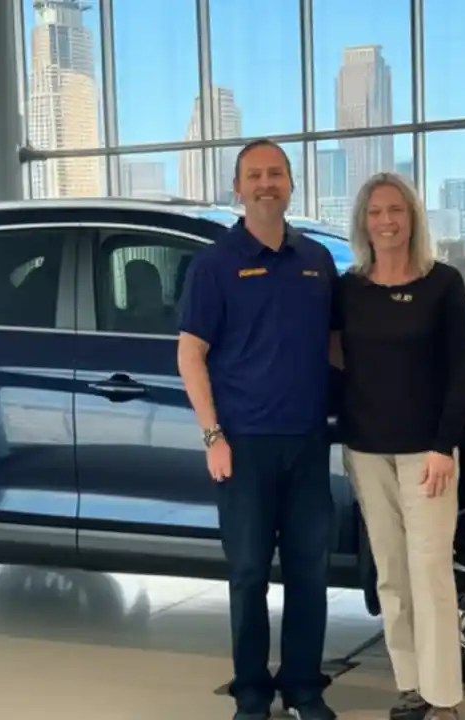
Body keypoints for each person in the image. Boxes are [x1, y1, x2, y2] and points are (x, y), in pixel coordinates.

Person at [176, 139, 341, 720]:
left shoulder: (317, 261)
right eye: (255, 175)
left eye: (276, 174)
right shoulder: (215, 265)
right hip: (242, 447)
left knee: (309, 575)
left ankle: (303, 688)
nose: (266, 184)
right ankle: (251, 691)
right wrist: (212, 435)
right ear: (238, 189)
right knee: (248, 575)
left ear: (291, 184)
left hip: (307, 442)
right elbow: (191, 354)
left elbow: (336, 346)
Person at [333, 172, 465, 720]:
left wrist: (444, 446)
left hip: (427, 454)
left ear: (412, 217)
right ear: (362, 222)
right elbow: (331, 353)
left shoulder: (443, 283)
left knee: (431, 570)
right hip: (367, 450)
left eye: (395, 210)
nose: (385, 221)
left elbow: (461, 370)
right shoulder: (349, 288)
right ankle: (411, 684)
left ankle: (443, 697)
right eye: (374, 212)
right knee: (391, 572)